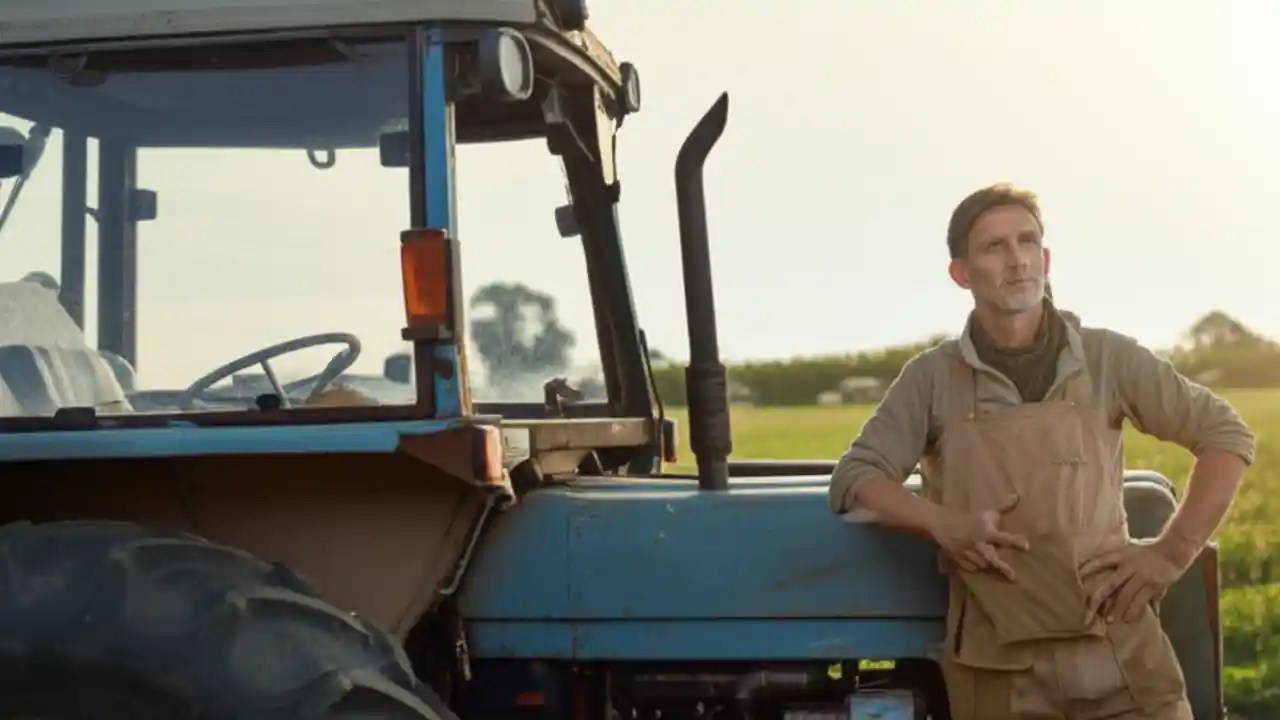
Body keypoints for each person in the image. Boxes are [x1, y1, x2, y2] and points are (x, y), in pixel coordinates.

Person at [827, 183, 1254, 719]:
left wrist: (1171, 553)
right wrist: (942, 524)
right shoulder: (932, 378)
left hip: (1120, 659)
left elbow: (1225, 436)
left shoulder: (1108, 359)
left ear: (1046, 258)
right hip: (999, 676)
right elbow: (857, 477)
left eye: (1027, 242)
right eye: (994, 247)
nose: (1017, 260)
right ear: (961, 273)